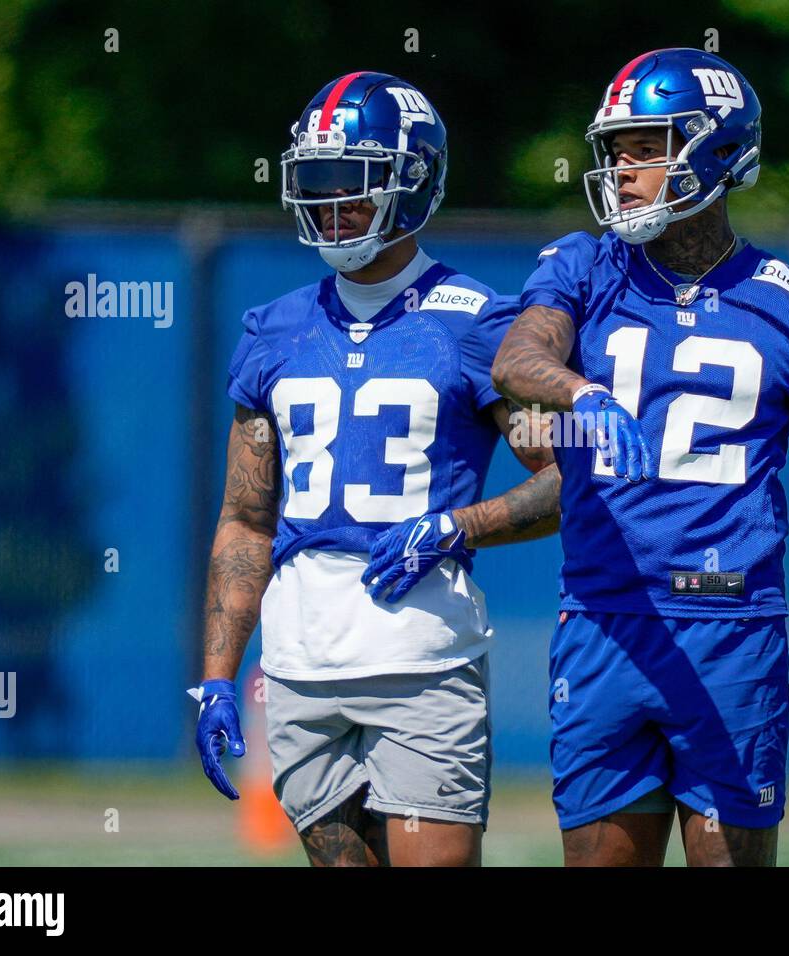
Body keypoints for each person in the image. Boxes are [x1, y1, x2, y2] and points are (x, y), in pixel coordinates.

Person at [490, 48, 789, 866]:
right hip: (606, 623)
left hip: (731, 632)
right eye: (616, 151)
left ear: (714, 150)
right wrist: (585, 396)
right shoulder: (582, 266)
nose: (623, 171)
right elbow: (516, 358)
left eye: (648, 147)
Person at [189, 71, 559, 866]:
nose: (328, 203)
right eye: (313, 181)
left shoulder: (479, 325)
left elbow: (565, 480)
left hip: (422, 659)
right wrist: (219, 674)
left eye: (349, 181)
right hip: (299, 664)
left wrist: (458, 526)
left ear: (412, 180)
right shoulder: (273, 330)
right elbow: (246, 519)